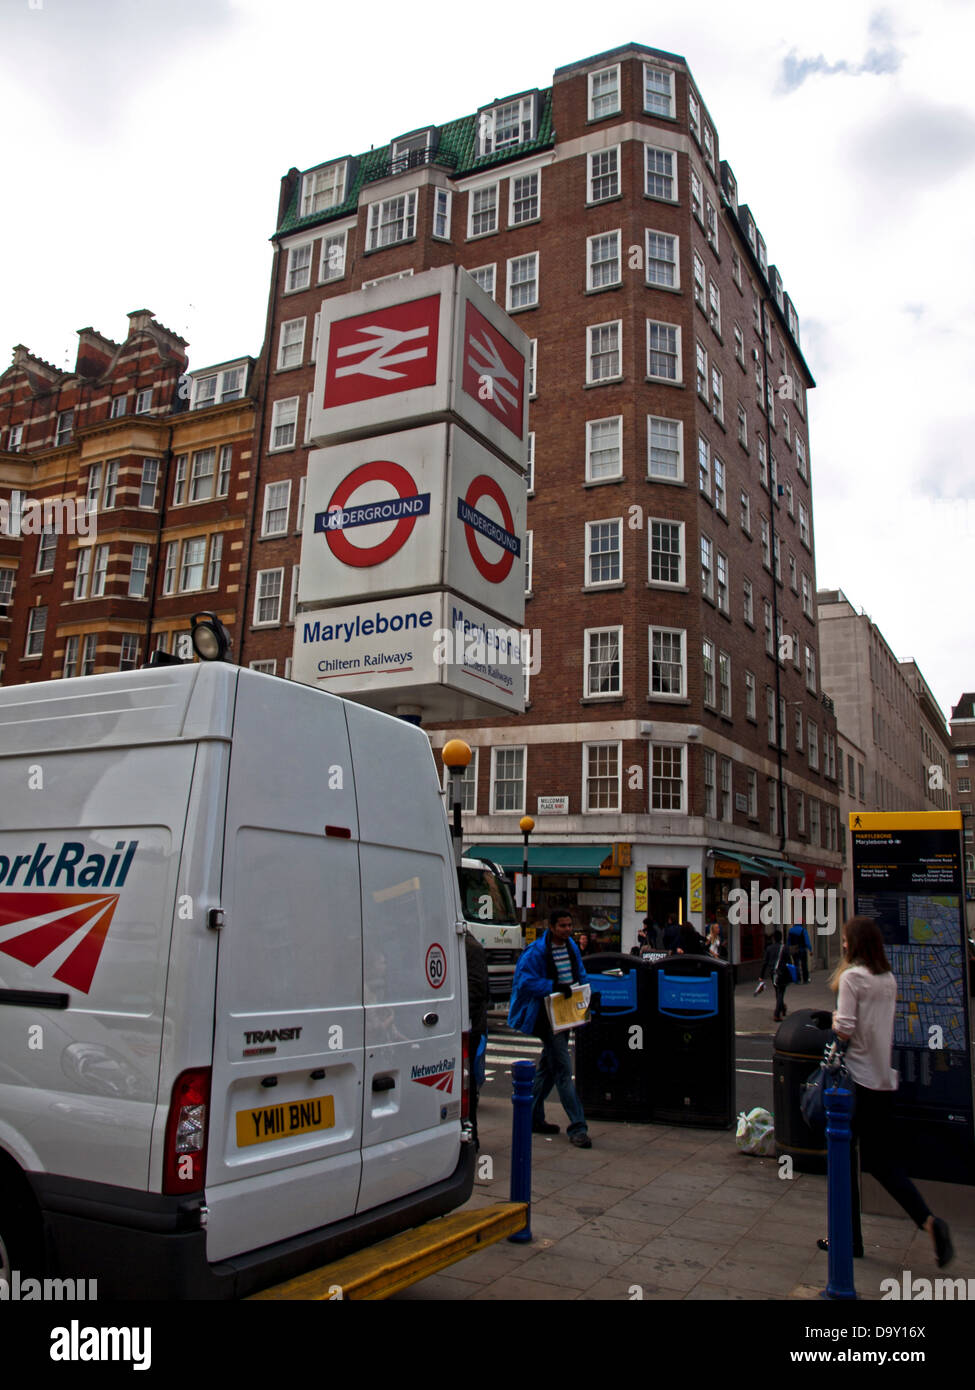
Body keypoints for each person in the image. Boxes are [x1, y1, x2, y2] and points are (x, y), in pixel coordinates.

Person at [817, 917, 953, 1267]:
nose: (843, 945)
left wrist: (833, 1020)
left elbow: (845, 1029)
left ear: (856, 943)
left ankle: (848, 1239)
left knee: (842, 1161)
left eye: (846, 940)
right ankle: (928, 1220)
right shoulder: (888, 978)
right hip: (881, 1082)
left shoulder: (852, 979)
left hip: (855, 1082)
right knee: (881, 1164)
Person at [507, 908, 592, 1148]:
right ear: (552, 927)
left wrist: (586, 995)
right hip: (546, 1017)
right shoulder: (536, 951)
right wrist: (553, 986)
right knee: (563, 1071)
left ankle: (531, 1116)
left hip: (565, 1016)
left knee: (547, 1069)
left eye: (569, 925)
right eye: (562, 926)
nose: (567, 929)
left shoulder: (571, 947)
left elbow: (580, 974)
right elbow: (524, 982)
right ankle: (578, 1127)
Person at [463, 927, 489, 1149]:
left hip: (468, 1027)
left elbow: (477, 988)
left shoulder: (470, 948)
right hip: (466, 1024)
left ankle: (471, 1133)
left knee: (466, 1081)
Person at [758, 930, 792, 1022]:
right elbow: (789, 962)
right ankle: (777, 1013)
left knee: (777, 992)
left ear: (773, 938)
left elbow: (765, 962)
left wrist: (761, 975)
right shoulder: (785, 948)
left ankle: (782, 1008)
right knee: (781, 992)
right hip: (783, 973)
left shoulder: (769, 948)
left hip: (773, 974)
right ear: (781, 938)